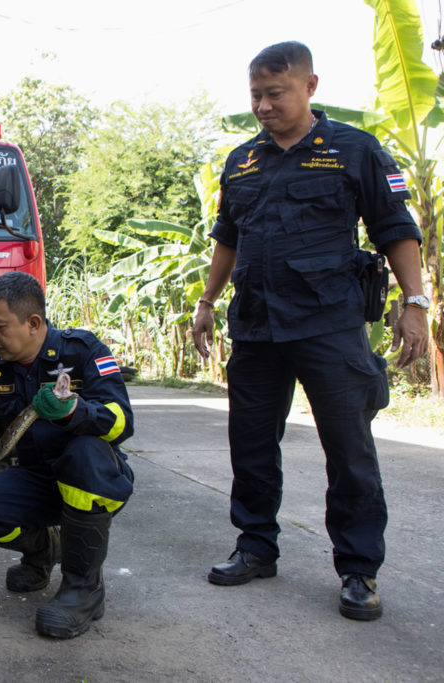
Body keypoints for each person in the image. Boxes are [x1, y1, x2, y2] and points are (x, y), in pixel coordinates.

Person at [191, 42, 429, 621]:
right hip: (256, 326)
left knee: (349, 451)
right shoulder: (242, 161)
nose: (263, 107)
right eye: (255, 96)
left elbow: (395, 227)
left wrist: (415, 302)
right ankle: (255, 546)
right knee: (250, 445)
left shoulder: (355, 149)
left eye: (275, 94)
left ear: (310, 86)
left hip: (329, 323)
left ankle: (359, 569)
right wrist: (207, 301)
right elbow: (227, 238)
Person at [0, 271, 134, 639]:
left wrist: (74, 411)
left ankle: (84, 588)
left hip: (92, 478)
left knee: (84, 452)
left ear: (33, 323)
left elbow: (122, 422)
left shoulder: (83, 352)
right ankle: (45, 550)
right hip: (35, 478)